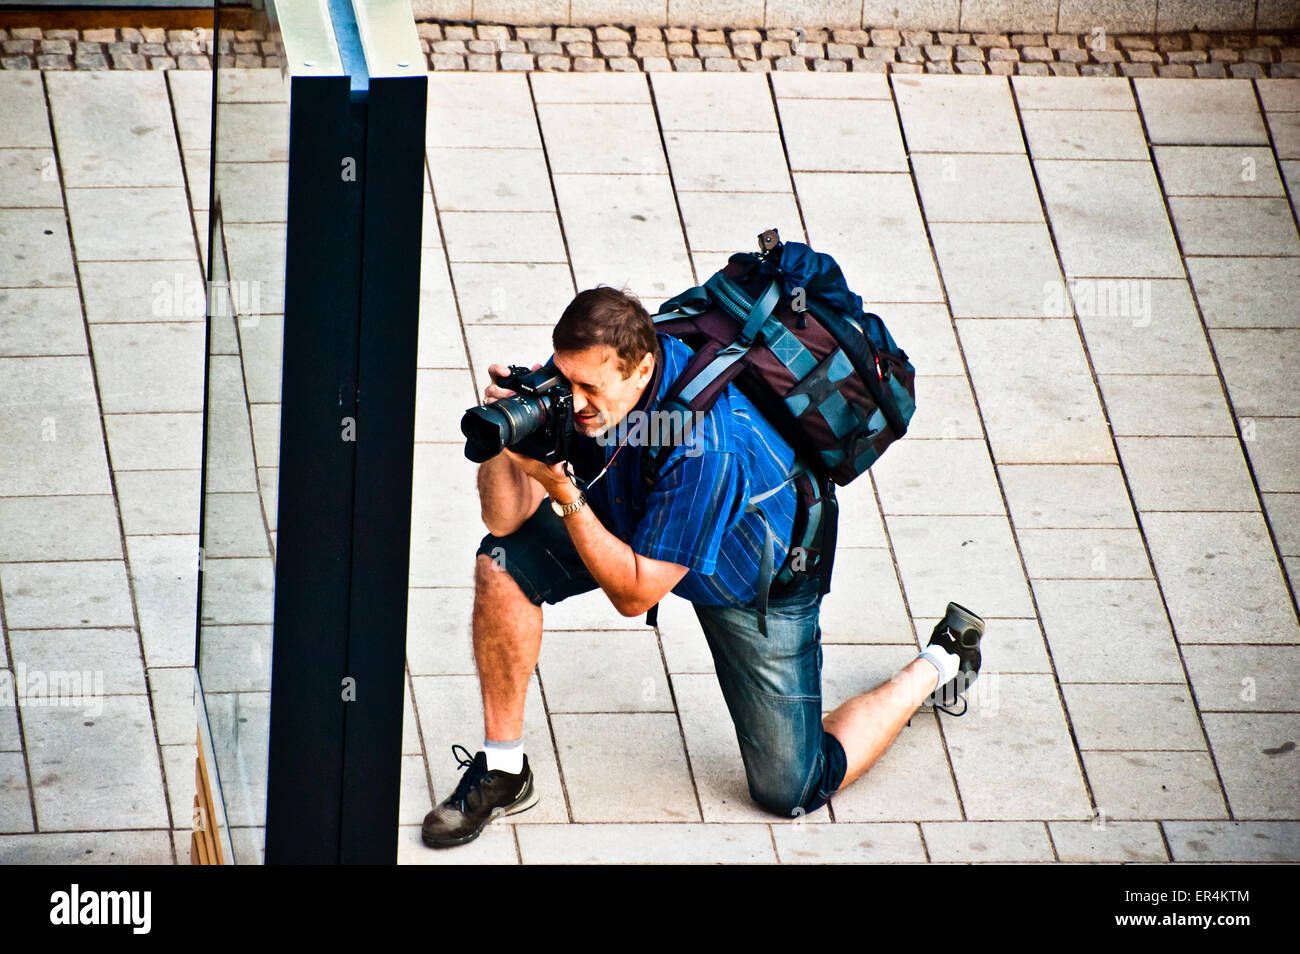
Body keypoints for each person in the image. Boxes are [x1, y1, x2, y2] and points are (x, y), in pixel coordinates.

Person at [422, 286, 984, 849]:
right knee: (502, 563)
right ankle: (503, 769)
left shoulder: (706, 444)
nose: (574, 399)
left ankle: (938, 663)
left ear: (642, 370)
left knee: (791, 787)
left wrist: (563, 491)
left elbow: (633, 594)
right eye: (565, 379)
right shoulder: (581, 374)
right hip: (634, 513)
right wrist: (506, 438)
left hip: (750, 577)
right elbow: (503, 522)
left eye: (591, 388)